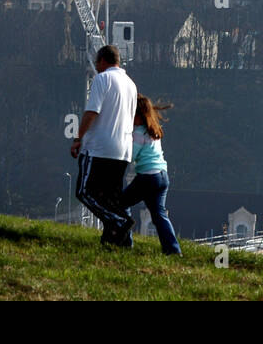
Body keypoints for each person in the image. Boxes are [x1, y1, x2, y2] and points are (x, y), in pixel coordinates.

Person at [71, 44, 137, 247]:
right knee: (111, 197)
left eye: (97, 64)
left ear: (102, 61)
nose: (97, 68)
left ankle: (119, 222)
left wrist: (78, 138)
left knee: (85, 191)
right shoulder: (131, 84)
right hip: (123, 150)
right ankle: (117, 240)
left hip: (99, 147)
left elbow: (92, 112)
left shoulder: (102, 79)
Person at [119, 95, 182, 256]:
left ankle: (125, 240)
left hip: (147, 177)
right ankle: (173, 250)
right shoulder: (154, 130)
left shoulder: (138, 134)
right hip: (162, 176)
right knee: (159, 214)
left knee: (120, 205)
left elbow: (130, 156)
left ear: (139, 116)